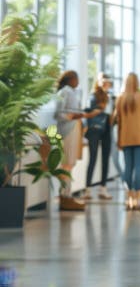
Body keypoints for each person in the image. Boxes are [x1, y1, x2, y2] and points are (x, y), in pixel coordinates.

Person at [112, 73, 140, 211]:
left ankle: (129, 198)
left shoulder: (120, 99)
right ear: (137, 82)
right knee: (139, 167)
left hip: (125, 138)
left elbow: (115, 119)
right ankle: (137, 198)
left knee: (128, 168)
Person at [54, 70, 86, 211]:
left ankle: (67, 195)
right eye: (76, 78)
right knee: (67, 164)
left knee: (70, 164)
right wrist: (72, 116)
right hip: (67, 132)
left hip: (74, 130)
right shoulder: (65, 92)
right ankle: (64, 197)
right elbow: (58, 113)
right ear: (70, 79)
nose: (78, 81)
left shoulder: (73, 92)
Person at [82, 81, 113, 201]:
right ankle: (88, 189)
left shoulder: (109, 97)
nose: (107, 83)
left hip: (107, 128)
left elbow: (111, 113)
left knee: (105, 159)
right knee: (92, 158)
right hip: (94, 129)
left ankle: (103, 188)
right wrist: (100, 109)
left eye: (108, 82)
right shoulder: (93, 96)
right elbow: (88, 111)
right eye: (104, 81)